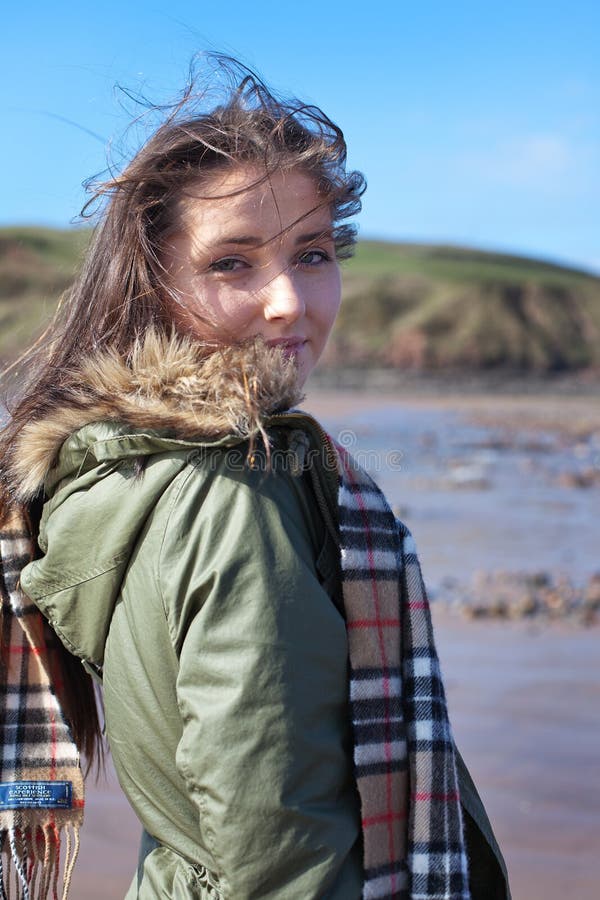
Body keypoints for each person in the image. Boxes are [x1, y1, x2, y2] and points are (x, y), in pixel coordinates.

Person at [0, 58, 510, 899]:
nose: (288, 302)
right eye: (233, 263)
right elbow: (284, 857)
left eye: (311, 254)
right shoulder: (230, 495)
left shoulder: (126, 468)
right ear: (155, 288)